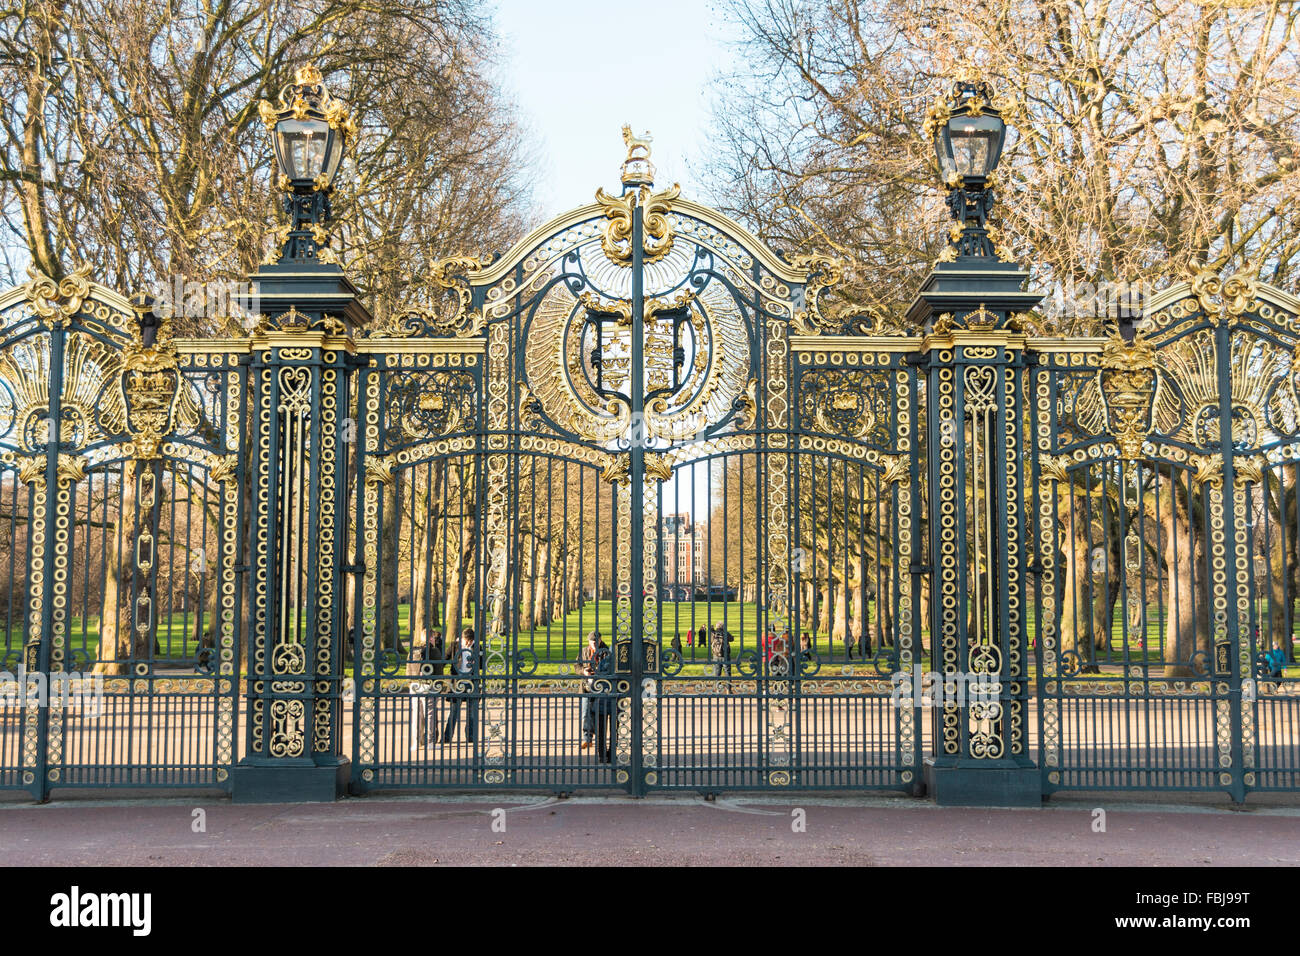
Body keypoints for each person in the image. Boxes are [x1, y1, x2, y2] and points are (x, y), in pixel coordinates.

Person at [441, 626, 481, 744]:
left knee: (472, 712)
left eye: (470, 641)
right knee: (453, 712)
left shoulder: (477, 647)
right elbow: (444, 659)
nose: (468, 644)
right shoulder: (454, 646)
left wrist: (476, 661)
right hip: (457, 683)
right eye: (466, 641)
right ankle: (447, 737)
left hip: (471, 683)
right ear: (462, 639)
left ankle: (471, 736)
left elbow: (482, 664)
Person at [578, 630, 603, 751]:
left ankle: (600, 741)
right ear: (588, 641)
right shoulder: (584, 651)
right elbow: (577, 666)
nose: (594, 644)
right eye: (592, 642)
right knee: (585, 713)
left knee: (598, 715)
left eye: (596, 641)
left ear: (600, 640)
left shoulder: (605, 652)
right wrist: (583, 671)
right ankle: (587, 739)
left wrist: (597, 673)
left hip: (601, 687)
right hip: (586, 687)